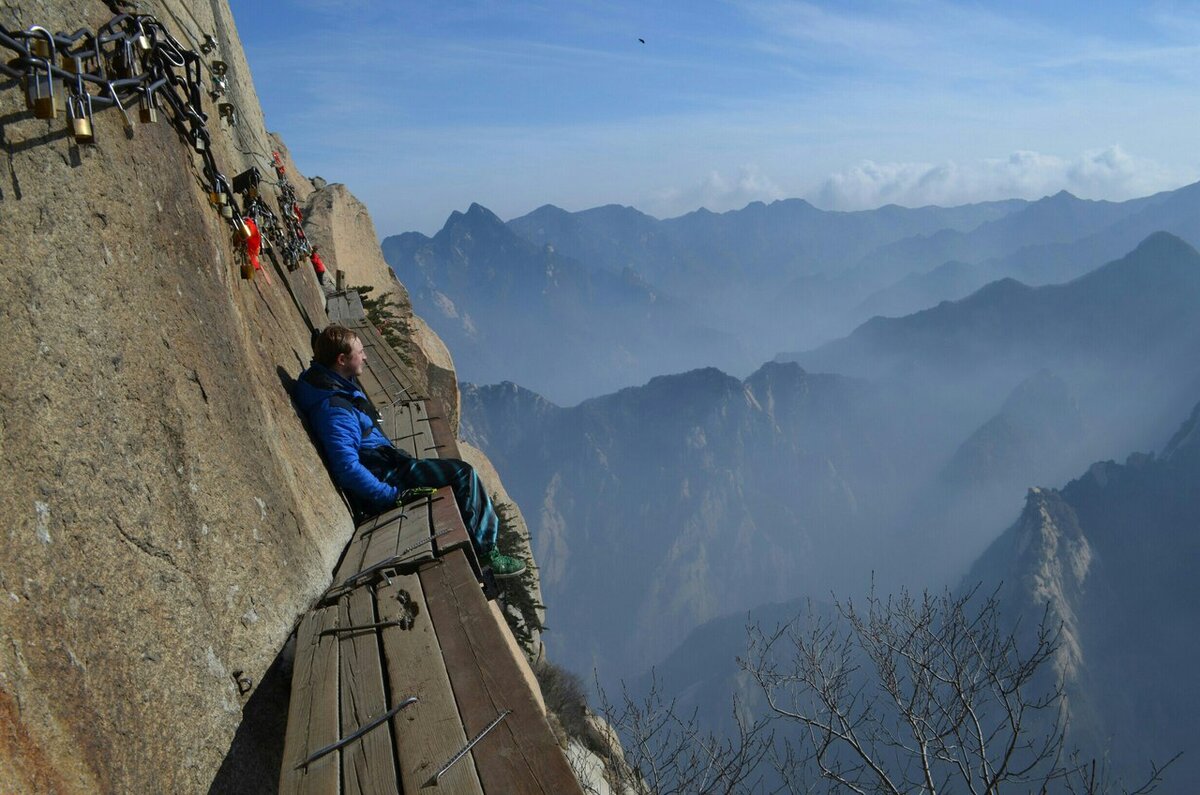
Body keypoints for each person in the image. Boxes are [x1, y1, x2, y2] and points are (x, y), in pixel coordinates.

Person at [294, 325, 526, 578]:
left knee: (448, 470)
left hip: (386, 462)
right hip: (387, 475)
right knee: (463, 474)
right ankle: (487, 554)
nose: (366, 356)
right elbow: (347, 467)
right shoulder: (336, 410)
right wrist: (390, 496)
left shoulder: (328, 382)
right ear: (341, 360)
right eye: (360, 352)